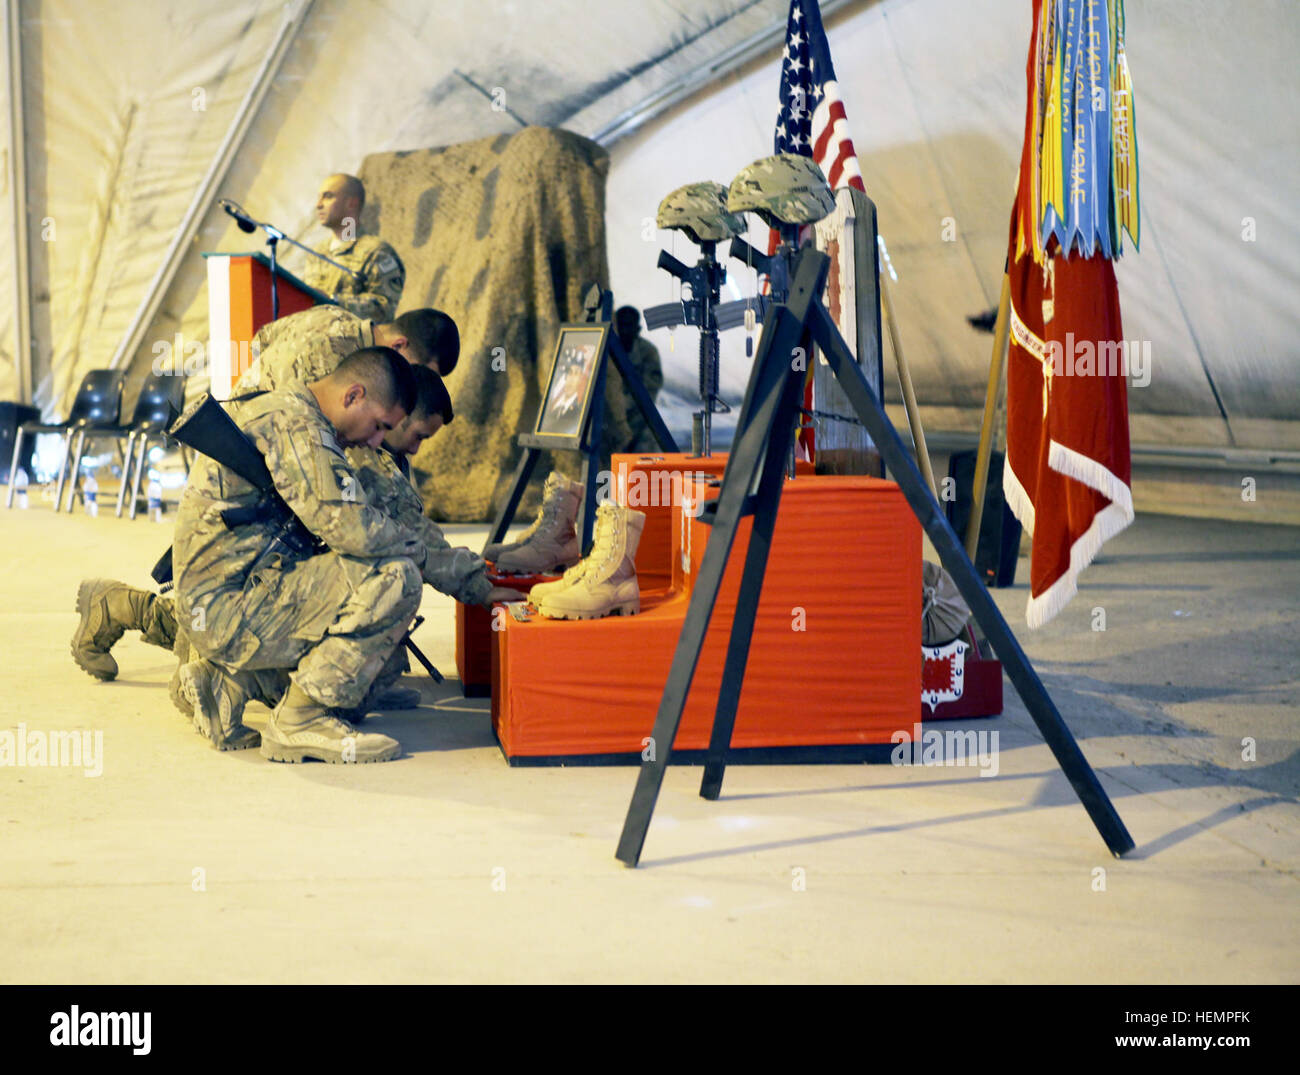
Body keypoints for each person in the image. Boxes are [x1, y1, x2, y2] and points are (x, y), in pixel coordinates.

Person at [235, 305, 459, 395]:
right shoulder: (354, 371)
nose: (413, 382)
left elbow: (260, 340)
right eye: (415, 371)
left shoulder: (331, 312)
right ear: (398, 345)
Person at [301, 173, 405, 321]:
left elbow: (384, 308)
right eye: (319, 197)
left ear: (351, 203)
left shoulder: (377, 252)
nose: (319, 204)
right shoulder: (317, 252)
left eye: (328, 196)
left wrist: (333, 300)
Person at [613, 306, 664, 452]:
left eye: (629, 326)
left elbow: (650, 389)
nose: (625, 331)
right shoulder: (609, 351)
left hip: (640, 420)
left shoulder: (648, 352)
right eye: (621, 326)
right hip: (614, 423)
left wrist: (623, 405)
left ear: (638, 328)